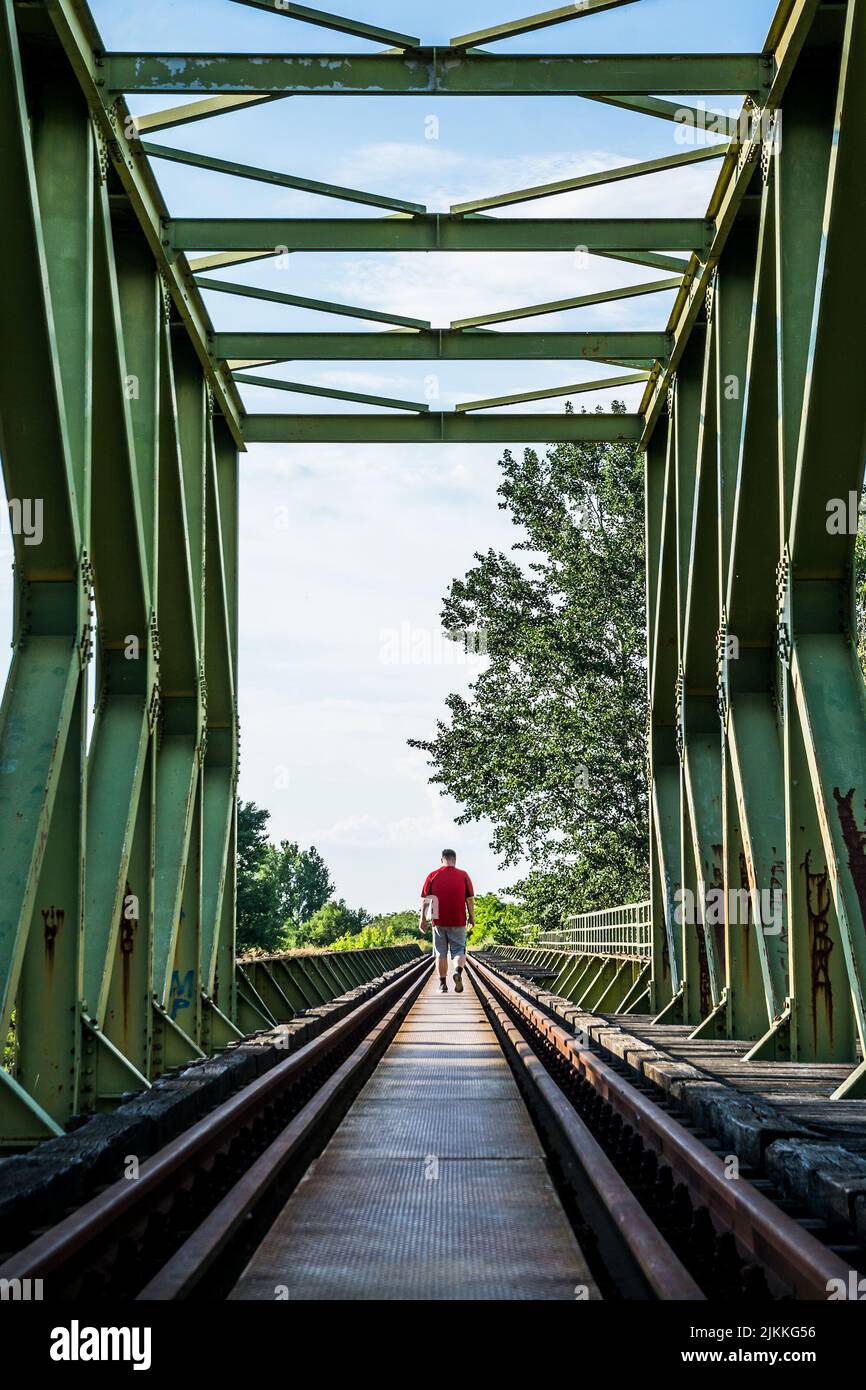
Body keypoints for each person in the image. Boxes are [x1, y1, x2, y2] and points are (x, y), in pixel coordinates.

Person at [419, 849, 474, 994]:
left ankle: (443, 985)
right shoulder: (463, 875)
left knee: (440, 953)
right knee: (459, 950)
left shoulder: (432, 875)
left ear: (441, 859)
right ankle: (457, 971)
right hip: (458, 919)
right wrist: (471, 918)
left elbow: (425, 900)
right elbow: (469, 899)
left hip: (438, 919)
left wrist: (422, 919)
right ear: (455, 860)